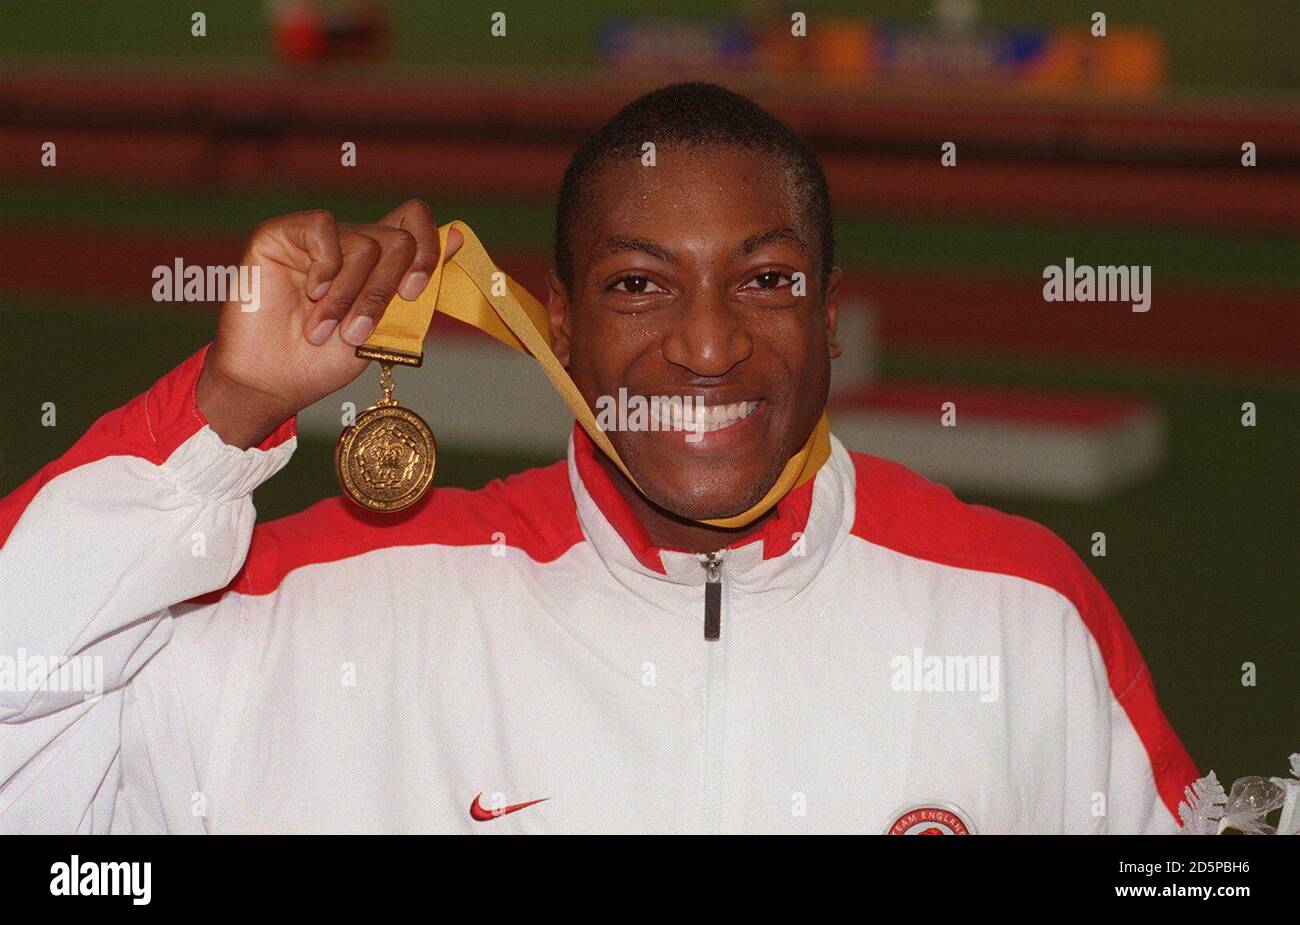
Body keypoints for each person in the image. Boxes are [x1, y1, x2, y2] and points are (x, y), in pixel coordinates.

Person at [0, 82, 1196, 833]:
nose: (710, 341)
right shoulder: (318, 614)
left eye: (765, 280)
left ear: (830, 317)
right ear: (558, 328)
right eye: (639, 285)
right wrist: (222, 409)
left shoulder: (1018, 614)